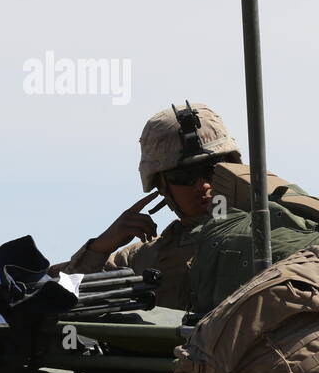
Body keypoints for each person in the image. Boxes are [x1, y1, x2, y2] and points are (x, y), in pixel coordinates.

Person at [54, 103, 241, 309]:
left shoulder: (268, 234)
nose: (203, 185)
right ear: (161, 186)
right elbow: (63, 298)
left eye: (213, 170)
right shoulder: (145, 257)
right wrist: (101, 246)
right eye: (184, 175)